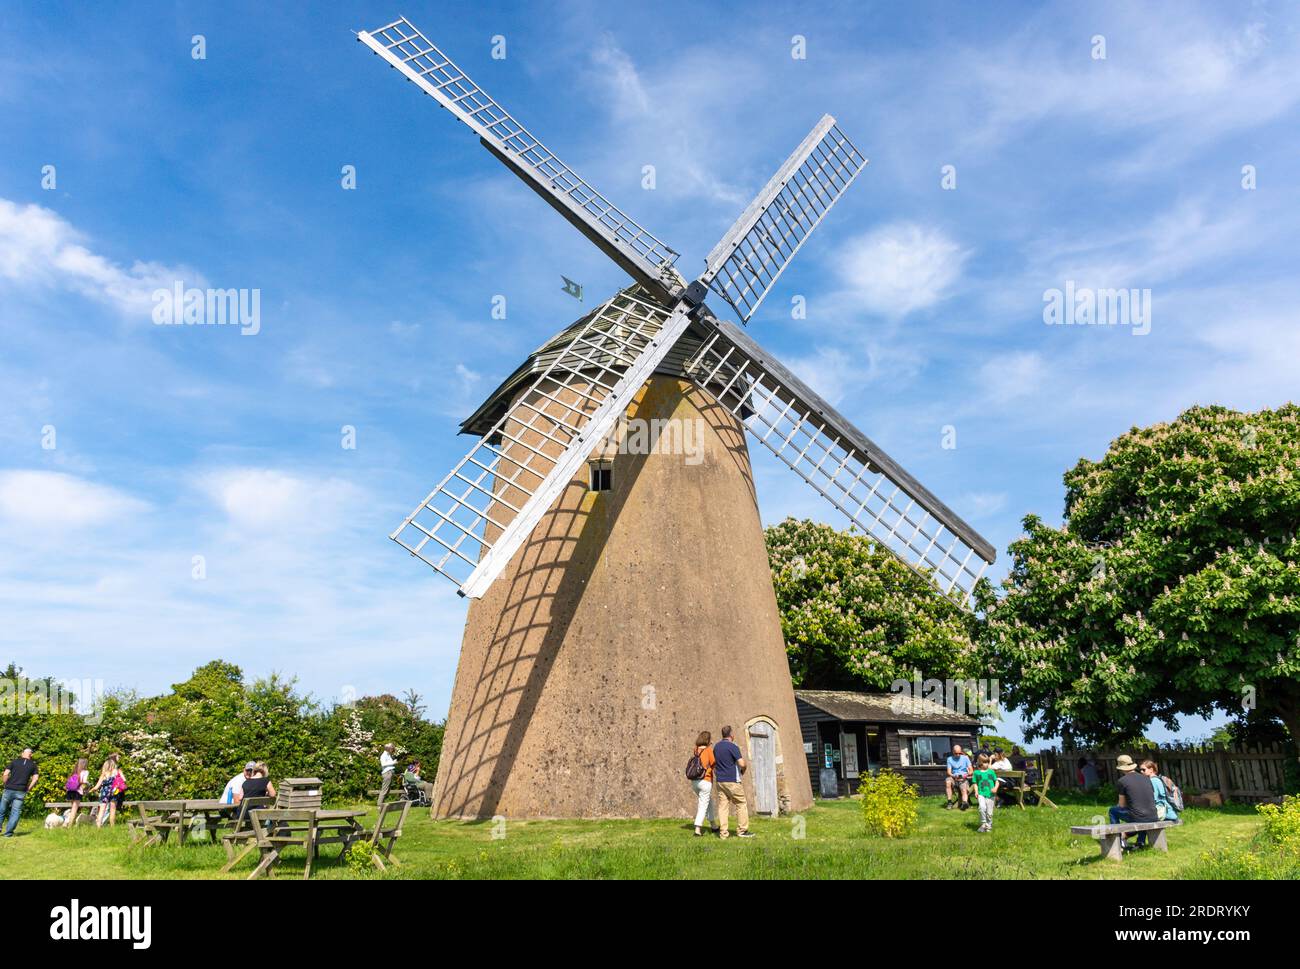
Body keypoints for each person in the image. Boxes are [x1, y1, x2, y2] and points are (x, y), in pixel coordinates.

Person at [1109, 754, 1158, 849]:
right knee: (1140, 811)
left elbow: (1122, 805)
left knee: (1112, 811)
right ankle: (1141, 842)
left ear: (1121, 768)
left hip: (1140, 817)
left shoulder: (1122, 781)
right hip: (1153, 815)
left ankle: (1118, 841)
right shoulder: (1146, 778)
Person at [712, 725, 752, 839]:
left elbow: (714, 764)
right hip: (732, 780)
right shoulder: (733, 747)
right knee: (741, 804)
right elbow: (742, 764)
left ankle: (723, 833)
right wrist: (744, 769)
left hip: (720, 781)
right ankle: (742, 831)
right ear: (731, 735)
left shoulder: (717, 747)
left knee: (723, 807)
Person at [2, 747, 40, 837]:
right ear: (31, 755)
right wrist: (29, 788)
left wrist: (5, 783)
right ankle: (8, 833)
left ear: (22, 753)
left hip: (9, 789)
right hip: (21, 791)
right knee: (15, 812)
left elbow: (5, 774)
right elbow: (35, 779)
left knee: (2, 810)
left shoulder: (14, 762)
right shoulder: (33, 765)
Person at [687, 731, 717, 837]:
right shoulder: (708, 750)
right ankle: (697, 829)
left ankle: (713, 825)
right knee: (703, 804)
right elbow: (713, 763)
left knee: (709, 802)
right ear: (708, 739)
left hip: (695, 781)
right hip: (705, 780)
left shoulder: (696, 749)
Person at [90, 755, 127, 828]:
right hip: (114, 791)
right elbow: (124, 780)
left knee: (102, 810)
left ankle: (98, 827)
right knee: (112, 809)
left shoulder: (103, 774)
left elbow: (97, 786)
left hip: (104, 792)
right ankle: (112, 826)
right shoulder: (117, 771)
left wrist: (91, 790)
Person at [971, 753, 1001, 833]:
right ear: (980, 762)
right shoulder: (976, 773)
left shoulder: (991, 772)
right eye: (984, 762)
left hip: (991, 795)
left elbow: (997, 782)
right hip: (981, 794)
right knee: (982, 808)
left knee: (989, 812)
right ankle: (983, 823)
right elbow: (975, 783)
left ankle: (989, 826)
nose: (986, 764)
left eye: (987, 762)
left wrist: (995, 788)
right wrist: (976, 792)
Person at [945, 743, 972, 810]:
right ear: (953, 752)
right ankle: (949, 802)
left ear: (961, 752)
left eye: (959, 753)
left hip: (964, 777)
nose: (958, 755)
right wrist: (954, 776)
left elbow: (971, 770)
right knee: (947, 781)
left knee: (963, 788)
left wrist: (965, 775)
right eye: (956, 753)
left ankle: (964, 803)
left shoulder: (965, 758)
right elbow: (948, 772)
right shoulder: (949, 759)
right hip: (954, 777)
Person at [64, 758, 90, 827]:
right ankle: (69, 825)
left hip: (70, 791)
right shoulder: (85, 772)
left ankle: (67, 823)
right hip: (78, 791)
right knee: (74, 809)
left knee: (72, 807)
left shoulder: (74, 771)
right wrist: (88, 784)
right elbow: (84, 781)